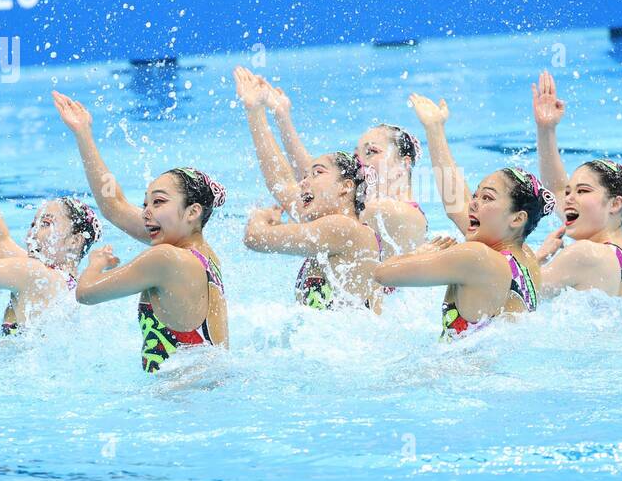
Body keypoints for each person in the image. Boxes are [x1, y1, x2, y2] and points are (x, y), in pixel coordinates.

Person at [52, 91, 229, 370]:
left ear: (192, 211)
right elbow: (114, 205)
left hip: (179, 400)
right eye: (145, 202)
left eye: (158, 202)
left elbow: (86, 293)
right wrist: (83, 134)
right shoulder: (203, 256)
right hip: (202, 396)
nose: (147, 211)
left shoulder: (166, 259)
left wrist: (96, 264)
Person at [378, 94, 548, 337]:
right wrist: (434, 129)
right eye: (476, 196)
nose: (473, 204)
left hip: (456, 372)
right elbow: (457, 202)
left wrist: (418, 254)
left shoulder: (475, 256)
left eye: (486, 198)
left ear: (517, 218)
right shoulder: (526, 259)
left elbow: (382, 274)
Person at [233, 67, 383, 311]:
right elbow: (280, 180)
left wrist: (258, 219)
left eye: (317, 173)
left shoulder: (343, 228)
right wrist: (255, 111)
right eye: (305, 176)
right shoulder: (325, 227)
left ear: (346, 187)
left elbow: (256, 238)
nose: (303, 181)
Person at [0, 131, 99, 334]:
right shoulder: (65, 283)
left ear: (74, 241)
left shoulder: (35, 274)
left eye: (46, 224)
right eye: (33, 224)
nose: (32, 234)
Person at [251, 71, 427, 254]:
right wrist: (280, 117)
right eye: (356, 154)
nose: (359, 160)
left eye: (372, 151)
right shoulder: (359, 211)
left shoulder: (396, 213)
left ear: (403, 165)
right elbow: (296, 184)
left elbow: (317, 187)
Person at [528, 70, 622, 297]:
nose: (568, 198)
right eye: (569, 191)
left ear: (615, 203)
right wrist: (546, 129)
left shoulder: (585, 253)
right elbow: (557, 188)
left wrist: (536, 257)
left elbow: (515, 296)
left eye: (583, 191)